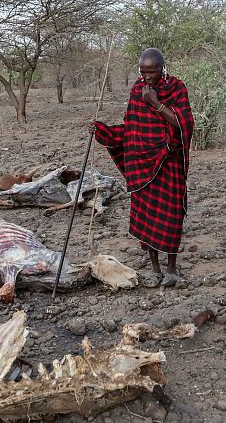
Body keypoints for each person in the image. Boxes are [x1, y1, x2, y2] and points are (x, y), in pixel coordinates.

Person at [92, 48, 194, 288]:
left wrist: (156, 104)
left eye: (153, 71)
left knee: (171, 216)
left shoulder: (177, 88)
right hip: (142, 164)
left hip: (170, 161)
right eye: (143, 71)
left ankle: (171, 269)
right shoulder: (137, 89)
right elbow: (131, 127)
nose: (147, 77)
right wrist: (102, 131)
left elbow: (185, 124)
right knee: (148, 216)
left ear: (163, 68)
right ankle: (155, 269)